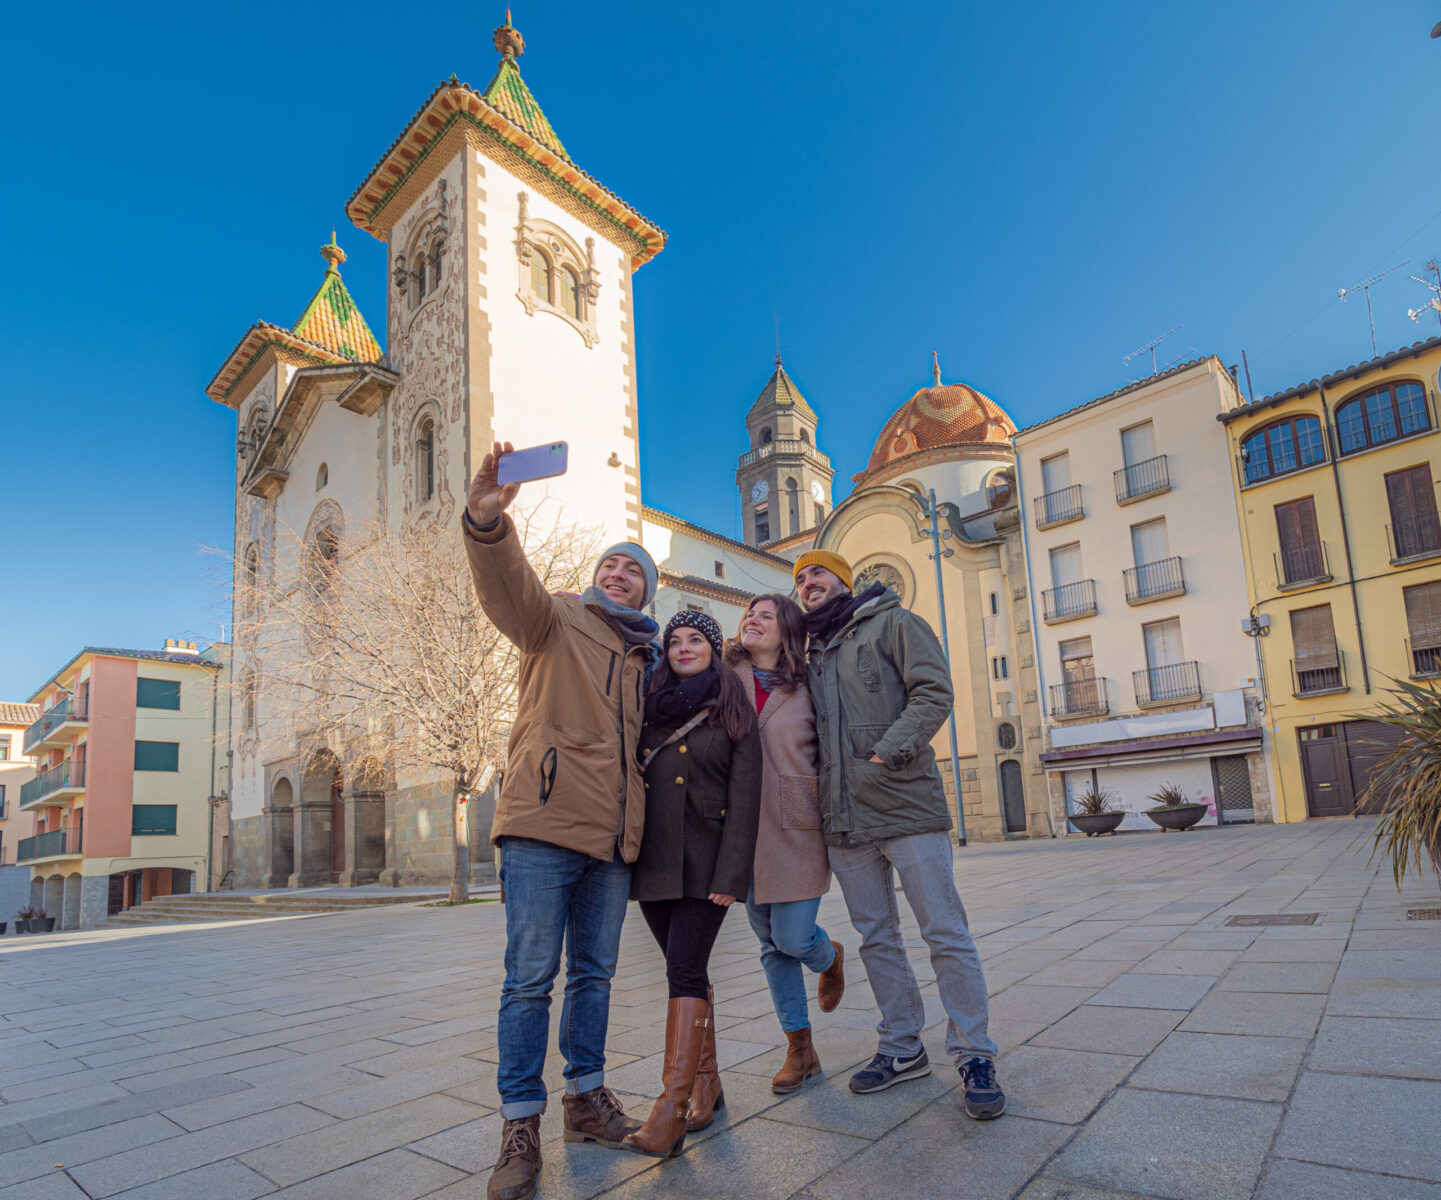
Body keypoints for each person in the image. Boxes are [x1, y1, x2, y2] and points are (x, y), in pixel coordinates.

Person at [464, 441, 661, 1200]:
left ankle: (586, 1098)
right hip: (544, 829)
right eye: (612, 565)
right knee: (528, 981)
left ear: (646, 593)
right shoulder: (557, 619)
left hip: (613, 842)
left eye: (633, 571)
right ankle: (519, 1127)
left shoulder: (643, 658)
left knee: (596, 977)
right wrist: (487, 521)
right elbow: (506, 589)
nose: (619, 574)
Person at [793, 549, 1006, 1121]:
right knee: (875, 937)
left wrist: (889, 750)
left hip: (906, 803)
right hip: (845, 818)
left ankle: (974, 1054)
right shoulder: (810, 651)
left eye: (817, 572)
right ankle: (903, 1046)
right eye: (800, 578)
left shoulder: (894, 622)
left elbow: (934, 692)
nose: (808, 581)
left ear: (844, 580)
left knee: (945, 931)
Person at [623, 609, 762, 1159]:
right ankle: (708, 1081)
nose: (683, 648)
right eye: (675, 641)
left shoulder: (733, 711)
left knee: (683, 967)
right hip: (654, 864)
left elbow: (747, 799)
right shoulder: (649, 709)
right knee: (685, 969)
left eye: (695, 640)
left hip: (707, 867)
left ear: (713, 647)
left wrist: (733, 874)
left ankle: (671, 1109)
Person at [724, 594, 846, 1094]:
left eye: (766, 615)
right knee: (770, 945)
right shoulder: (725, 674)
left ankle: (829, 956)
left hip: (797, 824)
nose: (752, 619)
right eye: (749, 613)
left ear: (787, 631)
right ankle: (800, 1050)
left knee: (794, 938)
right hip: (741, 832)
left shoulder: (809, 683)